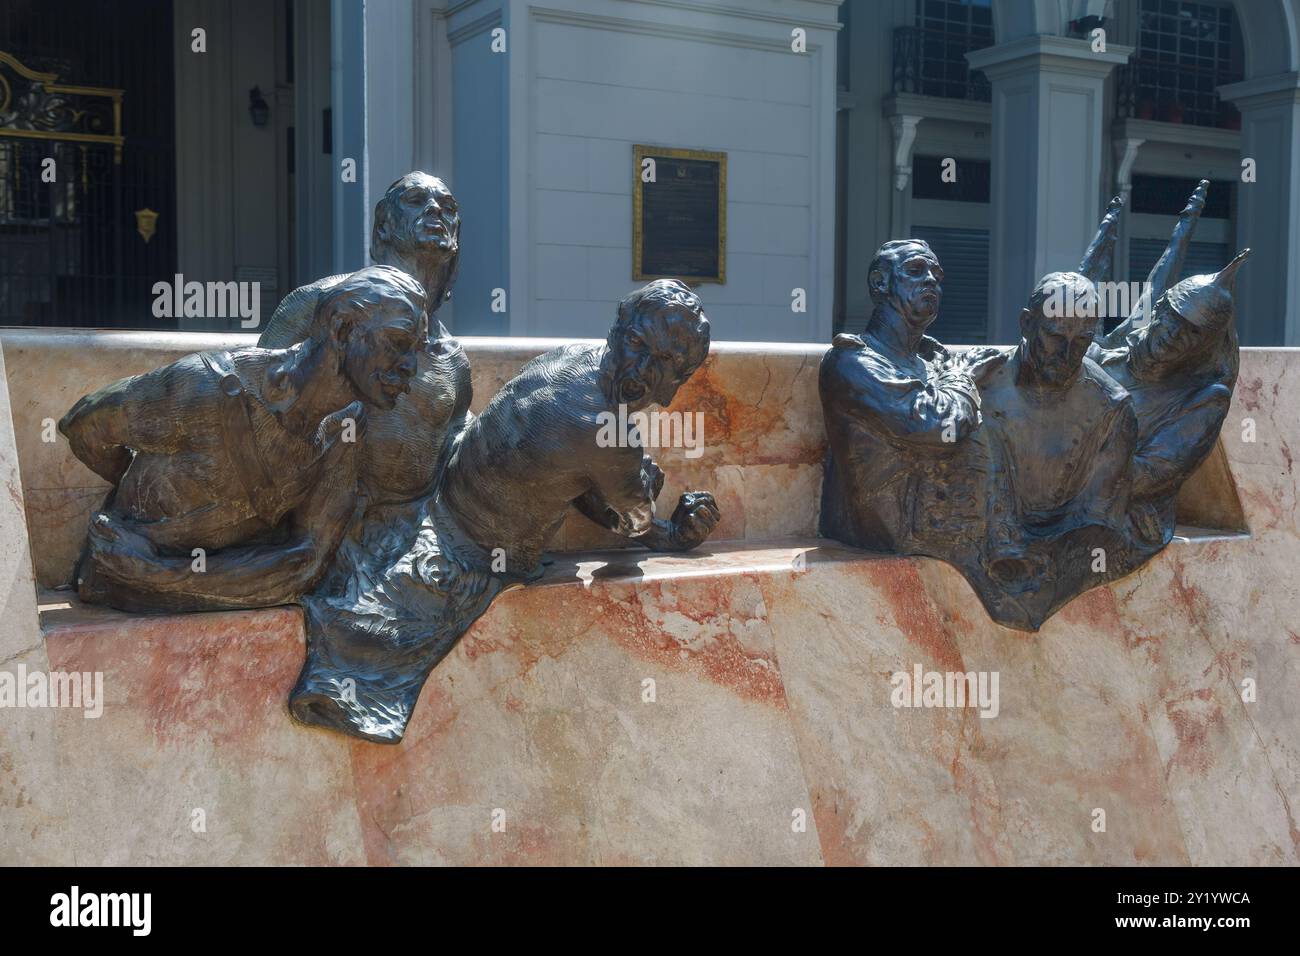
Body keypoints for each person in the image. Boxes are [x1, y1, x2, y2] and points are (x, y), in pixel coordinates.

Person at [60, 265, 428, 612]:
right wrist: (138, 486)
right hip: (114, 583)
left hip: (173, 586)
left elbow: (307, 560)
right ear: (342, 329)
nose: (411, 365)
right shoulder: (205, 385)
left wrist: (157, 572)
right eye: (397, 342)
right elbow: (83, 426)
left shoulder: (344, 426)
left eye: (417, 349)